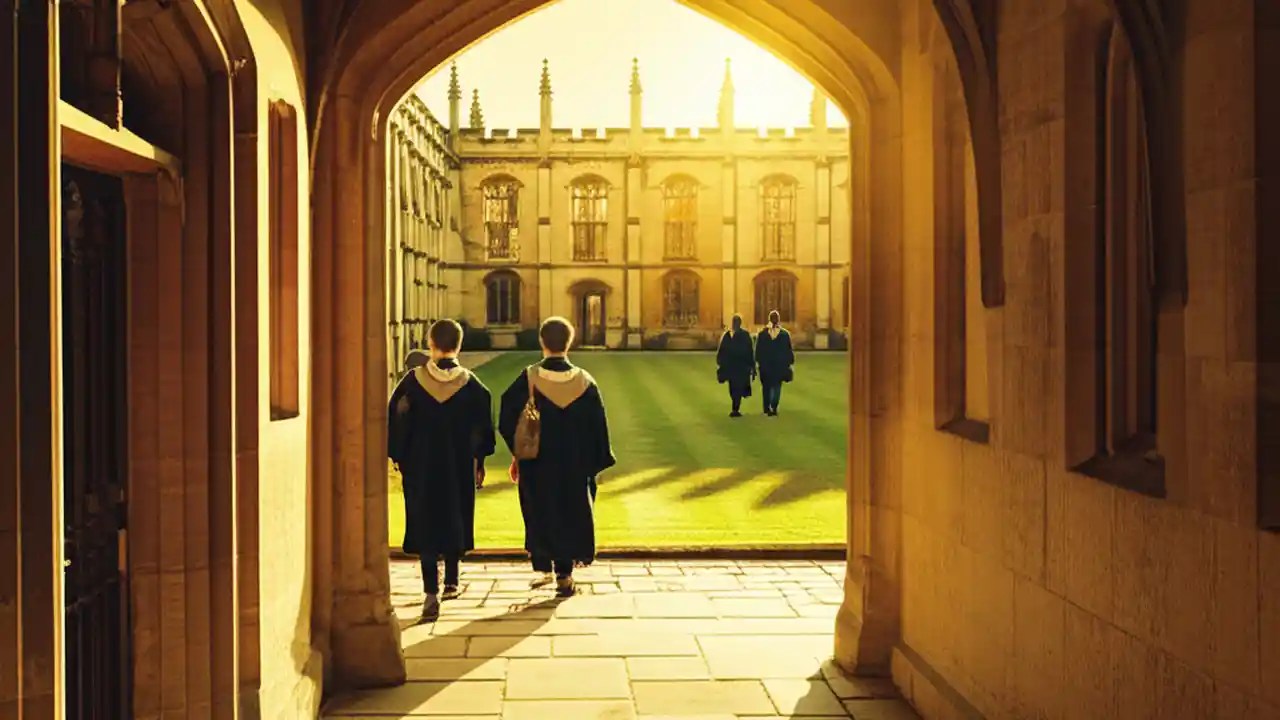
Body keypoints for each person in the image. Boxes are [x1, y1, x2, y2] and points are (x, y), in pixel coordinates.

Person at [498, 316, 615, 597]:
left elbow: (506, 418)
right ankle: (565, 573)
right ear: (569, 342)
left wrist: (518, 455)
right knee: (571, 512)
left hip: (538, 462)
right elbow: (598, 428)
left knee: (542, 510)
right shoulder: (586, 383)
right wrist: (592, 464)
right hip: (574, 463)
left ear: (541, 342)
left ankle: (545, 563)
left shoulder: (527, 379)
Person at [387, 320, 495, 622]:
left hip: (421, 467)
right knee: (454, 516)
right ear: (458, 346)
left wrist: (400, 455)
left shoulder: (412, 381)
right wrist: (479, 461)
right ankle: (452, 580)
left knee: (425, 522)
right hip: (458, 466)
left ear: (430, 343)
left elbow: (395, 420)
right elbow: (482, 429)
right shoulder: (472, 385)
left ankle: (430, 593)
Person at [754, 310, 795, 416]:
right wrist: (790, 362)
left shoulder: (763, 334)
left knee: (767, 387)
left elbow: (758, 350)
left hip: (767, 365)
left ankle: (768, 407)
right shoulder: (784, 334)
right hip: (777, 365)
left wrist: (758, 361)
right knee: (776, 386)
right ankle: (773, 406)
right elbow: (788, 350)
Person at [716, 314, 755, 417]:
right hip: (732, 366)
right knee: (733, 388)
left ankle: (735, 408)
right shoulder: (728, 335)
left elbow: (750, 351)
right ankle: (735, 406)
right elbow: (722, 350)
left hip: (740, 367)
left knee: (737, 387)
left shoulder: (744, 335)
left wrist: (752, 366)